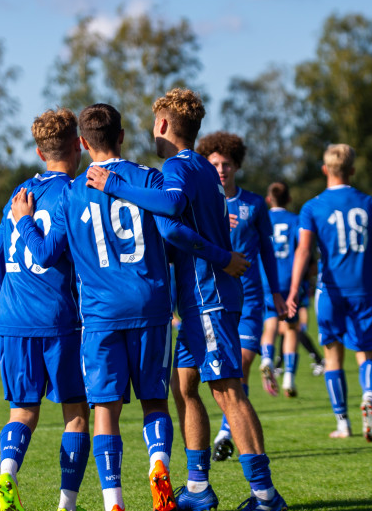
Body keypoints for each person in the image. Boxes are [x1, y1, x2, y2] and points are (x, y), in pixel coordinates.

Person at [14, 103, 237, 511]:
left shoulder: (70, 192)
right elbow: (170, 233)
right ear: (121, 136)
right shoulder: (149, 178)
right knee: (155, 400)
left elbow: (46, 254)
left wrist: (24, 221)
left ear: (83, 142)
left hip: (100, 314)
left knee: (105, 409)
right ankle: (159, 467)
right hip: (151, 306)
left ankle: (113, 500)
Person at [85, 90, 287, 511]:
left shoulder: (177, 166)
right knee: (183, 386)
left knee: (228, 392)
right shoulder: (202, 168)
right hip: (201, 300)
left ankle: (265, 496)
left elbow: (173, 221)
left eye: (152, 122)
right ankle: (197, 487)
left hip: (208, 296)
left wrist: (114, 185)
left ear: (162, 125)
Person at [0, 108, 90, 511]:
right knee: (76, 413)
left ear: (38, 151)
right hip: (60, 320)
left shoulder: (18, 195)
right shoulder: (74, 192)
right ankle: (67, 504)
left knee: (22, 410)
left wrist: (16, 297)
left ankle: (7, 472)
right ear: (78, 146)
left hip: (13, 321)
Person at [286, 144, 372, 441]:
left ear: (325, 170)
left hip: (330, 292)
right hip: (364, 291)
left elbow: (303, 251)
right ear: (352, 170)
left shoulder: (312, 207)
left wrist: (292, 291)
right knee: (367, 354)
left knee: (333, 357)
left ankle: (343, 423)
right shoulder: (369, 203)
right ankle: (368, 398)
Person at [194, 132, 287, 459]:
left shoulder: (254, 204)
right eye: (215, 163)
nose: (221, 169)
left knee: (242, 364)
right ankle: (227, 432)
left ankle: (225, 432)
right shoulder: (202, 202)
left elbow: (268, 252)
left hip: (249, 300)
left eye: (227, 164)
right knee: (221, 373)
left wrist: (276, 292)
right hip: (213, 298)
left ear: (236, 166)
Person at [259, 182, 324, 398]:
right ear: (288, 199)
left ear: (269, 200)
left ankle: (267, 359)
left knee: (270, 325)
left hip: (266, 279)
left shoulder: (261, 218)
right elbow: (305, 252)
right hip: (289, 281)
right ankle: (289, 378)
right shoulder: (296, 220)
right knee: (292, 329)